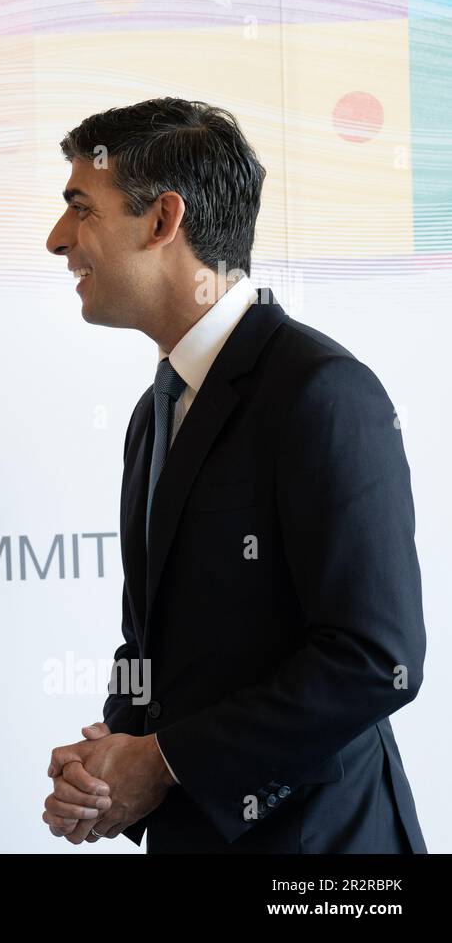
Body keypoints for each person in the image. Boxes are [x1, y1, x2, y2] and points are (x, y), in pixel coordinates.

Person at [41, 98, 425, 853]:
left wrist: (162, 761)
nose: (57, 240)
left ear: (162, 222)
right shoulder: (154, 413)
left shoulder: (321, 390)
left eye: (80, 208)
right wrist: (110, 770)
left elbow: (377, 660)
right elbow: (147, 646)